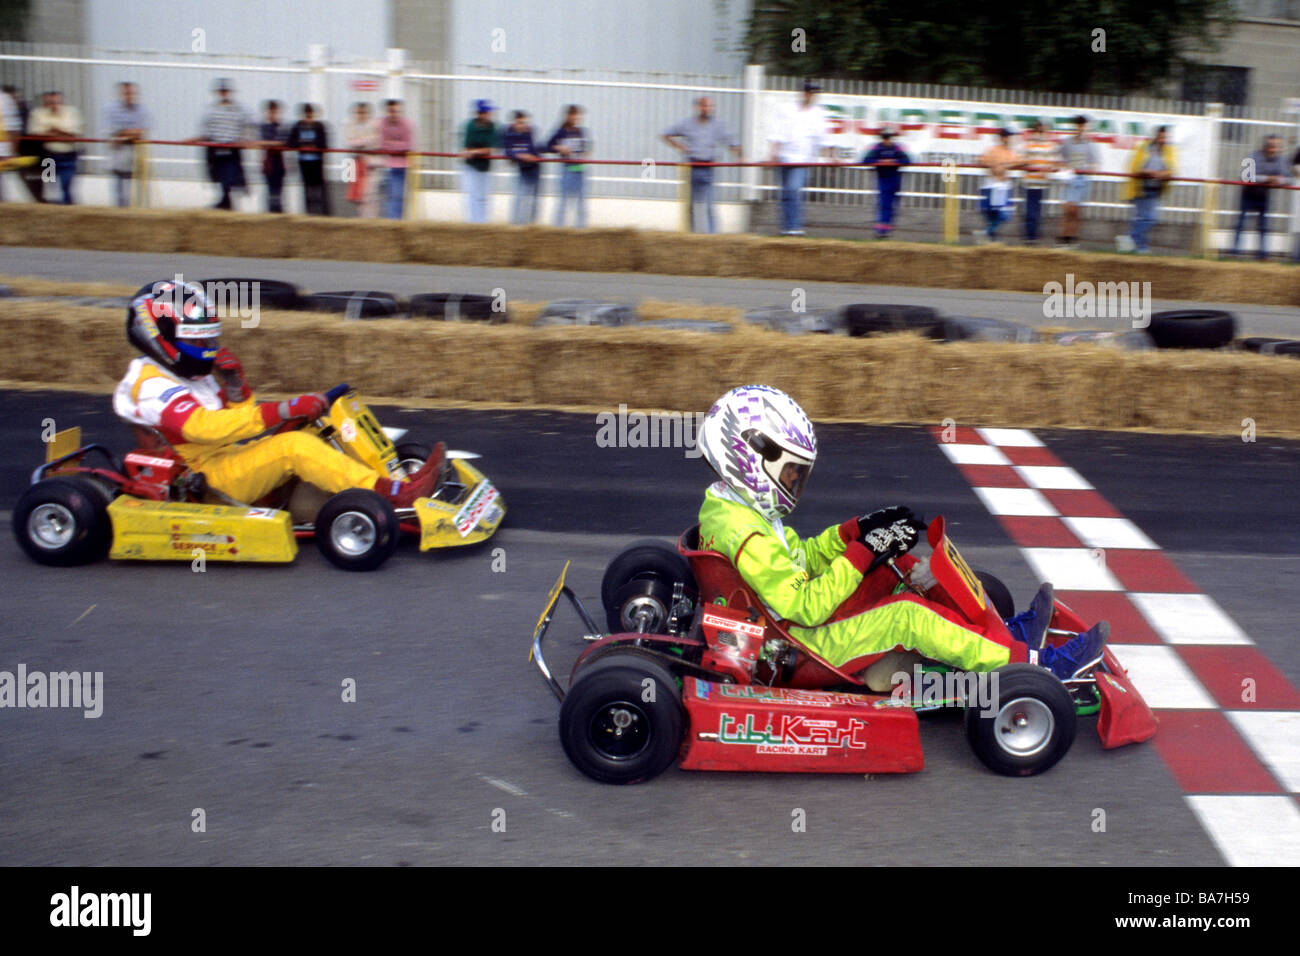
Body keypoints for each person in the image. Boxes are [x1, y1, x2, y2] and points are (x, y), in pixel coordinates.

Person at [695, 385, 1108, 679]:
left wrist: (860, 530)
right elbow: (805, 606)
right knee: (907, 616)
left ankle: (1004, 637)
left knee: (902, 565)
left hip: (790, 628)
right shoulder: (744, 533)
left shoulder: (734, 511)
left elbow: (798, 558)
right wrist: (863, 552)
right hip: (801, 649)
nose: (795, 482)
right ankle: (1038, 667)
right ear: (750, 459)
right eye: (790, 472)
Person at [113, 280, 444, 510]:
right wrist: (282, 410)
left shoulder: (183, 373)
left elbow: (235, 418)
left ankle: (392, 478)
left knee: (314, 428)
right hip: (204, 482)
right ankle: (394, 495)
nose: (207, 349)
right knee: (292, 447)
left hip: (229, 459)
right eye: (198, 342)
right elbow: (204, 428)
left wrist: (235, 387)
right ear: (159, 339)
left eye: (209, 340)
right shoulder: (149, 385)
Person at [661, 96, 742, 234]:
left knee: (710, 205)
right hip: (692, 166)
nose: (707, 109)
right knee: (691, 205)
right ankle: (691, 234)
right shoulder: (687, 124)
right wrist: (680, 147)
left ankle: (712, 236)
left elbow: (732, 142)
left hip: (709, 167)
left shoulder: (718, 125)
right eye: (704, 106)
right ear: (698, 107)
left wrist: (740, 156)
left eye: (710, 106)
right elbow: (665, 135)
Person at [767, 80, 834, 236]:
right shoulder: (787, 110)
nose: (812, 96)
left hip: (803, 159)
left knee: (794, 190)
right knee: (785, 193)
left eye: (815, 93)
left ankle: (795, 227)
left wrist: (831, 156)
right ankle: (786, 228)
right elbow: (777, 133)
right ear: (804, 93)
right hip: (784, 157)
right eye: (810, 92)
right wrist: (772, 154)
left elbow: (825, 137)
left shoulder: (818, 113)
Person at [196, 79, 254, 211]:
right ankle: (226, 201)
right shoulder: (210, 109)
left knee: (230, 175)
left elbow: (250, 124)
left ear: (230, 92)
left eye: (226, 91)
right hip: (216, 147)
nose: (224, 93)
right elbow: (206, 129)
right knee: (219, 175)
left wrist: (245, 139)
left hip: (232, 147)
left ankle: (226, 201)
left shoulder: (240, 109)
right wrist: (196, 139)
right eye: (222, 91)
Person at [1120, 125, 1177, 254]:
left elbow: (1172, 170)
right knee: (1147, 218)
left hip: (1157, 188)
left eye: (1166, 137)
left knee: (1147, 218)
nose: (1163, 140)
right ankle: (1138, 244)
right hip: (1141, 187)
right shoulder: (1143, 148)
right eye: (1161, 137)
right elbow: (1135, 168)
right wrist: (1150, 172)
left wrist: (1160, 174)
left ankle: (1135, 242)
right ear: (1156, 136)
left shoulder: (1170, 151)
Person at [1231, 135, 1288, 260]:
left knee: (1263, 226)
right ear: (1265, 146)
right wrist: (1267, 178)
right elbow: (1246, 176)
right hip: (1248, 194)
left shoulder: (1280, 160)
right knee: (1240, 224)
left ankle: (1263, 255)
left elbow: (1286, 177)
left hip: (1264, 195)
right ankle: (1234, 253)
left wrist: (1279, 181)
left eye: (1277, 147)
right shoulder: (1252, 156)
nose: (1274, 149)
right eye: (1272, 146)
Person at [28, 90, 83, 204]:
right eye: (50, 102)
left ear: (62, 101)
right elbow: (35, 133)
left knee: (66, 185)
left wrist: (53, 130)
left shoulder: (72, 112)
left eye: (56, 102)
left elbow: (74, 133)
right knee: (50, 187)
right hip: (48, 156)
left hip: (69, 155)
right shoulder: (38, 113)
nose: (53, 105)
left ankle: (69, 212)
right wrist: (63, 133)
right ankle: (52, 212)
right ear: (45, 102)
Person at [103, 82, 151, 208]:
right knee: (119, 186)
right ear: (120, 94)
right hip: (118, 150)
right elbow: (111, 130)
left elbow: (142, 131)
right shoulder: (111, 109)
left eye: (132, 93)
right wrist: (130, 133)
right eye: (127, 93)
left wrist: (123, 133)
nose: (130, 96)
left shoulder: (142, 109)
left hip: (135, 151)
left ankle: (134, 209)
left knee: (134, 184)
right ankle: (120, 210)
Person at [860, 126, 910, 239]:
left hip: (895, 178)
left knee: (892, 204)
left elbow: (907, 160)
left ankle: (887, 228)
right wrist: (880, 161)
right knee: (883, 204)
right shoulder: (876, 148)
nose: (887, 140)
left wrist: (894, 161)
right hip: (882, 179)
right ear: (881, 138)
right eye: (884, 137)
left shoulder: (897, 148)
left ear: (892, 138)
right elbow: (865, 160)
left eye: (889, 137)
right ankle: (881, 230)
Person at [546, 104, 591, 228]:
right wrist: (559, 148)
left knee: (581, 201)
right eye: (573, 115)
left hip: (580, 168)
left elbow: (587, 147)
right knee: (563, 200)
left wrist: (585, 153)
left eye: (578, 116)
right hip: (566, 168)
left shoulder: (581, 131)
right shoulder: (561, 132)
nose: (576, 118)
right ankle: (559, 227)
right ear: (568, 116)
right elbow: (546, 145)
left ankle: (581, 227)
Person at [1056, 115, 1098, 247]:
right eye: (1078, 126)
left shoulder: (1090, 144)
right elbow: (1059, 158)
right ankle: (1064, 236)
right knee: (1068, 208)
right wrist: (1064, 167)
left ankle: (1072, 238)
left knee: (1076, 210)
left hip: (1082, 179)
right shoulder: (1067, 142)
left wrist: (1089, 169)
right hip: (1070, 178)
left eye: (1083, 126)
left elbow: (1095, 163)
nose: (1080, 129)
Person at [1018, 120, 1060, 244]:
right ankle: (1029, 236)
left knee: (1039, 212)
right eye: (1037, 130)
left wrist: (1049, 169)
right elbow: (1021, 160)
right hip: (1029, 183)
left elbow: (1056, 162)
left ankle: (1034, 236)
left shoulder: (1051, 145)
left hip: (1043, 184)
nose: (1040, 133)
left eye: (1042, 131)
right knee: (1029, 211)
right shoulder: (1027, 144)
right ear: (1033, 131)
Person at [287, 103, 330, 215]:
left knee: (319, 188)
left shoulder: (319, 126)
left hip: (317, 162)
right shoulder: (297, 126)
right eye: (306, 116)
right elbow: (290, 143)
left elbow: (323, 144)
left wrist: (306, 144)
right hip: (304, 162)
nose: (308, 119)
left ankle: (322, 213)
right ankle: (309, 213)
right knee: (307, 188)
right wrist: (307, 144)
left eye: (310, 116)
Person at [461, 99, 499, 224]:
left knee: (483, 197)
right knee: (472, 195)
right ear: (480, 113)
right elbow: (466, 148)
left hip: (485, 166)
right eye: (486, 112)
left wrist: (475, 152)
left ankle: (483, 223)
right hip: (471, 166)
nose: (489, 115)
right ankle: (473, 223)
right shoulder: (470, 126)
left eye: (489, 113)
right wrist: (476, 151)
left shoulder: (492, 126)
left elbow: (491, 148)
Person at [977, 128, 1018, 242]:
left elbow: (1020, 161)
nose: (1009, 139)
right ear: (1002, 138)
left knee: (1004, 214)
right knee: (991, 212)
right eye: (1007, 137)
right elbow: (981, 160)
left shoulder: (1010, 152)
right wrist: (993, 165)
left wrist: (1005, 165)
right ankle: (991, 235)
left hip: (1002, 186)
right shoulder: (994, 150)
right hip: (992, 184)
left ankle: (987, 232)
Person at [503, 109, 542, 224]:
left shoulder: (531, 133)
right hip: (522, 168)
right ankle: (516, 223)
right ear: (514, 123)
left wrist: (527, 155)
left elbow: (536, 150)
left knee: (533, 198)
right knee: (519, 196)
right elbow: (507, 151)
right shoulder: (509, 134)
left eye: (524, 122)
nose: (522, 125)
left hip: (534, 168)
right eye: (519, 122)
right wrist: (521, 155)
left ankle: (531, 223)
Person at [378, 99, 414, 220]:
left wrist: (391, 145)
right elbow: (382, 144)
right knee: (389, 195)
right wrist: (397, 145)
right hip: (387, 165)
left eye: (395, 111)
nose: (392, 114)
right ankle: (391, 221)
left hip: (401, 165)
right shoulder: (383, 123)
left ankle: (395, 221)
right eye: (390, 111)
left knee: (397, 196)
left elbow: (408, 145)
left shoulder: (406, 124)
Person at [343, 102, 380, 218]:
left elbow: (374, 142)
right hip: (352, 162)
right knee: (355, 196)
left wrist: (360, 141)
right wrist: (363, 141)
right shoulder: (349, 125)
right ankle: (360, 218)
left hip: (369, 163)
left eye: (363, 113)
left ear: (368, 114)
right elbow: (348, 143)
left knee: (369, 195)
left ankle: (370, 220)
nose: (361, 115)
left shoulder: (374, 126)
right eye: (359, 113)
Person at [259, 100, 288, 213]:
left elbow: (282, 142)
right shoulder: (264, 126)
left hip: (279, 160)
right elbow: (263, 142)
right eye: (271, 112)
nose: (272, 114)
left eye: (275, 112)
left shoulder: (281, 126)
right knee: (270, 189)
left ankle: (277, 210)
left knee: (278, 189)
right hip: (268, 161)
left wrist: (268, 143)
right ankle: (272, 210)